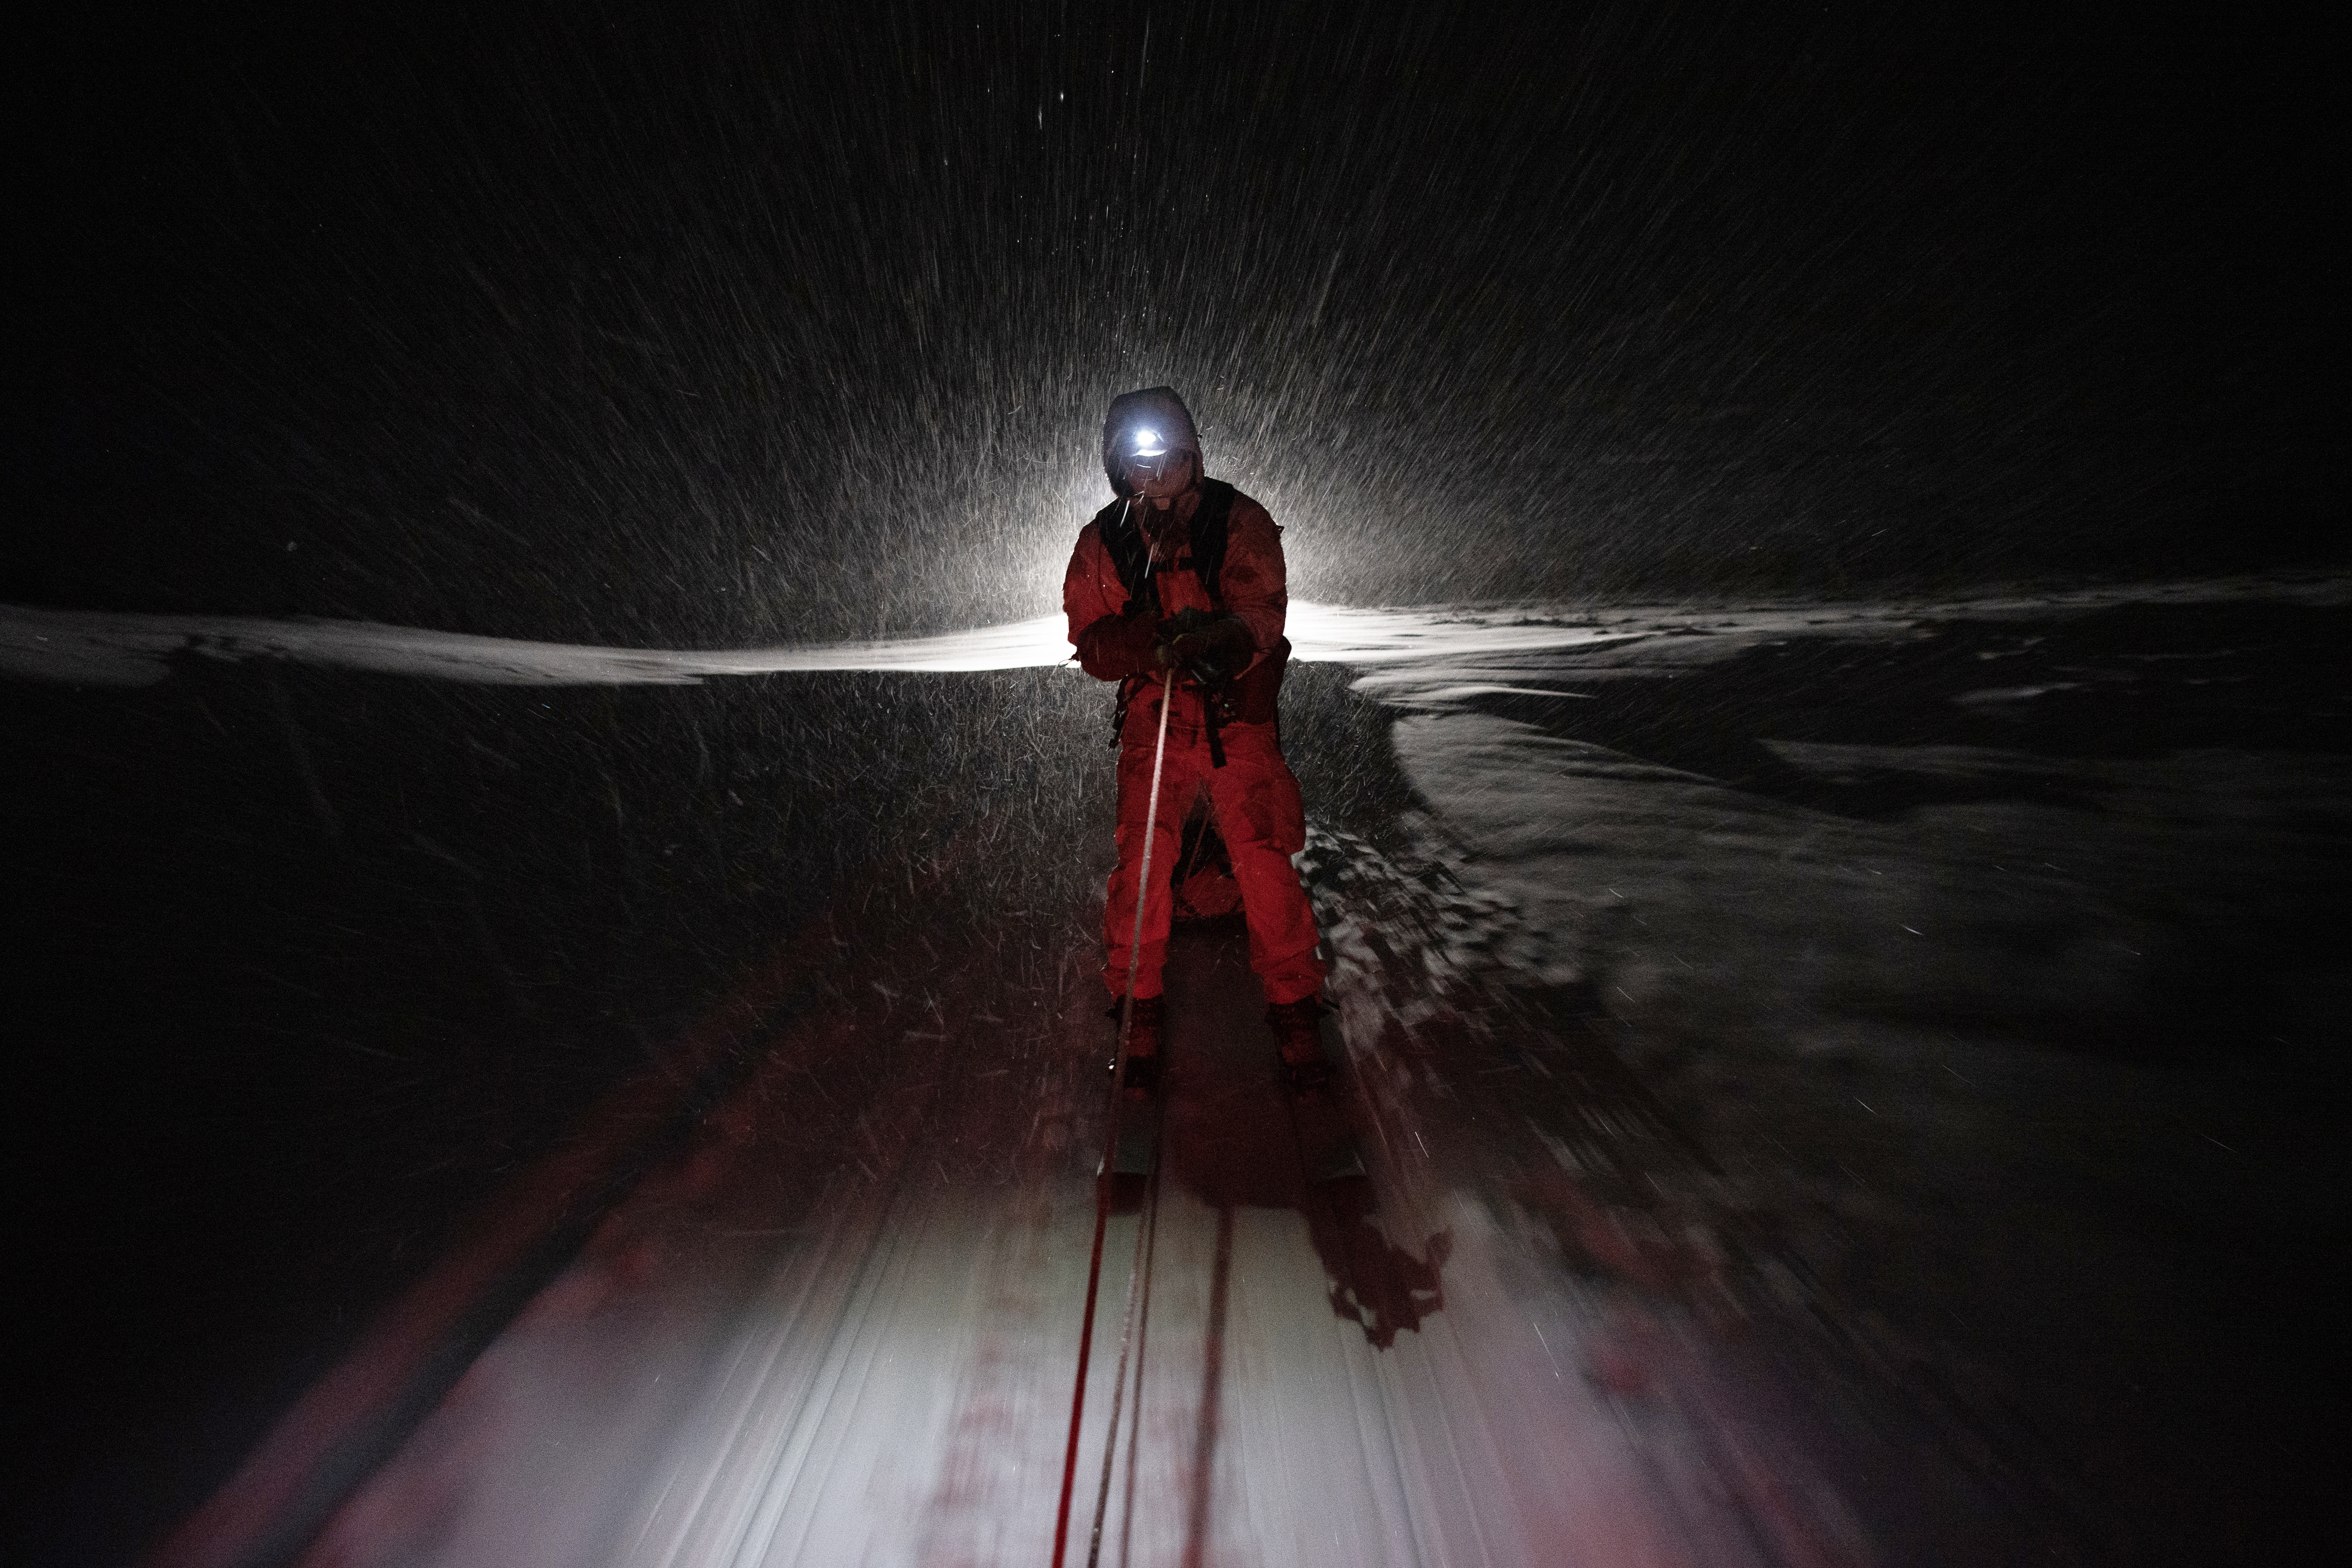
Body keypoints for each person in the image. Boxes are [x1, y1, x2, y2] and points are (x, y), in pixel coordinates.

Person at [1064, 386, 1328, 1101]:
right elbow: (1089, 638)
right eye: (1139, 463)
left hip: (1234, 715)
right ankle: (1137, 1005)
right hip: (1155, 716)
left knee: (1262, 858)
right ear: (1120, 469)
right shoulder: (1107, 540)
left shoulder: (1235, 520)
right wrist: (1145, 645)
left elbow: (1261, 608)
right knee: (1143, 860)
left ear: (1192, 457)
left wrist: (1225, 641)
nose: (1155, 476)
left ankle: (1295, 1005)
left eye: (1169, 459)